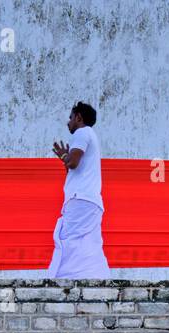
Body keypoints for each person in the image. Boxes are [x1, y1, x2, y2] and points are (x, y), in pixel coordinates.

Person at [49, 101, 110, 279]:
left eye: (70, 118)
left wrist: (64, 156)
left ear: (79, 117)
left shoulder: (81, 132)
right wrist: (67, 160)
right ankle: (95, 276)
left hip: (80, 200)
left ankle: (66, 278)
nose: (68, 122)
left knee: (70, 241)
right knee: (87, 243)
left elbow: (73, 163)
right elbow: (73, 168)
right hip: (90, 201)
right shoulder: (91, 135)